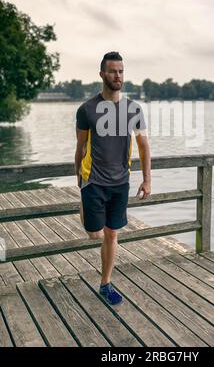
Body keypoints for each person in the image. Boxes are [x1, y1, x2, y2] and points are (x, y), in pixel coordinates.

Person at [75, 51, 151, 305]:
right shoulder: (87, 109)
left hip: (120, 181)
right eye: (112, 71)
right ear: (102, 74)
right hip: (93, 181)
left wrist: (147, 179)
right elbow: (81, 147)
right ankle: (83, 205)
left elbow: (143, 146)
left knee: (112, 234)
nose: (117, 75)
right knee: (94, 235)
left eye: (121, 71)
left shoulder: (134, 109)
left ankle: (105, 283)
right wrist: (78, 176)